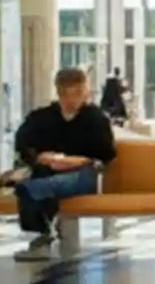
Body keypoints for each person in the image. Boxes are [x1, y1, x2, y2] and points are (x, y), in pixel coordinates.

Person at [12, 68, 116, 262]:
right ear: (59, 92)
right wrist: (42, 157)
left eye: (78, 93)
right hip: (48, 169)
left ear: (85, 91)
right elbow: (23, 144)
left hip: (83, 172)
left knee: (33, 187)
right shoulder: (41, 118)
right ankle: (43, 233)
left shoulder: (96, 119)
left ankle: (42, 235)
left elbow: (106, 154)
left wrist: (77, 160)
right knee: (42, 179)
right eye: (67, 93)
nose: (73, 99)